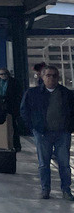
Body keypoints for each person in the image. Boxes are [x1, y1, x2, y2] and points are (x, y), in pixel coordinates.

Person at [20, 65, 74, 200]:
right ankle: (45, 189)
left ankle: (66, 190)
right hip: (42, 133)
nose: (51, 78)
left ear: (58, 77)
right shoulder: (32, 94)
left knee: (64, 164)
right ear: (42, 77)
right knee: (43, 164)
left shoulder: (66, 94)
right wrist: (33, 127)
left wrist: (69, 128)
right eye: (48, 75)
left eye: (54, 75)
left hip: (63, 133)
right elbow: (24, 111)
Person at [0, 67, 23, 152]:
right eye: (1, 74)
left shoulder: (14, 82)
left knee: (14, 126)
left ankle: (16, 145)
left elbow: (18, 94)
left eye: (5, 74)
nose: (3, 75)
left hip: (12, 107)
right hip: (1, 107)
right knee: (1, 126)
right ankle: (3, 143)